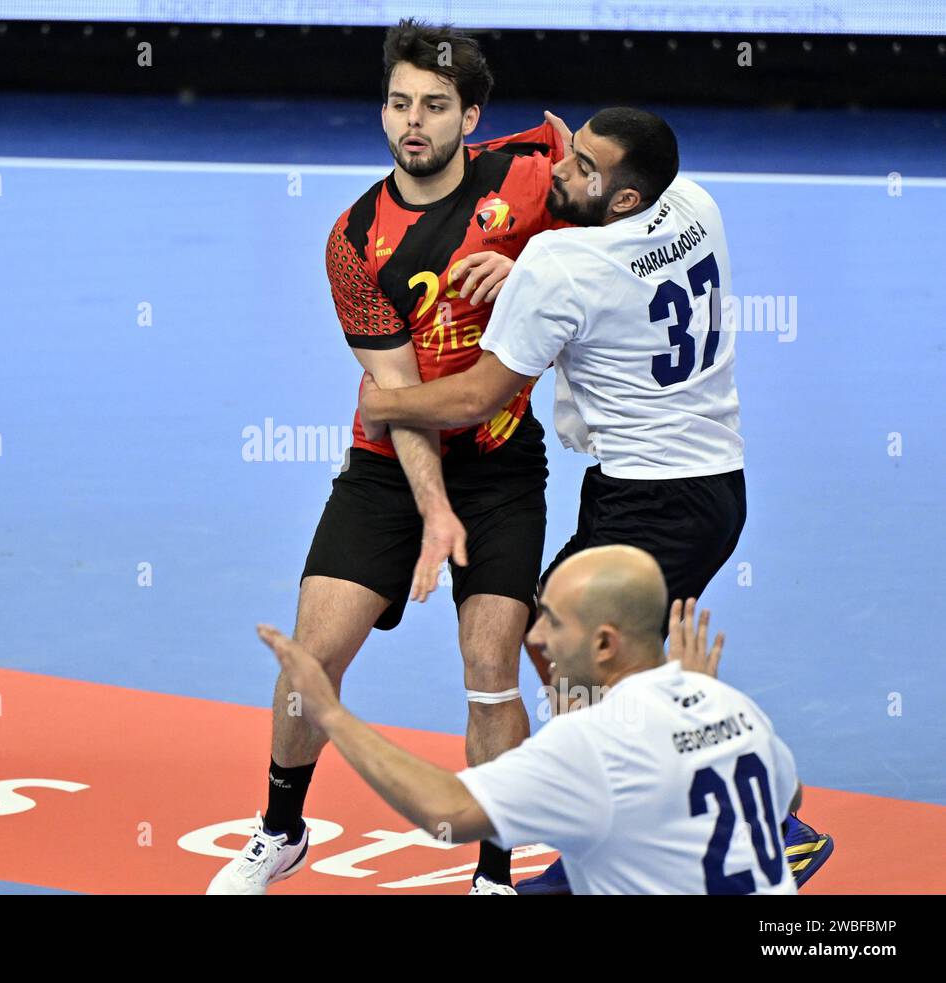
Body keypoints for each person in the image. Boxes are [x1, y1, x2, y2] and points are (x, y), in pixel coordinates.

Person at [357, 107, 832, 893]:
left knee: (567, 641)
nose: (560, 172)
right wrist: (532, 280)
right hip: (712, 486)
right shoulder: (693, 203)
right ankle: (630, 829)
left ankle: (769, 829)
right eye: (570, 151)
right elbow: (619, 276)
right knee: (591, 652)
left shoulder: (558, 263)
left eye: (581, 167)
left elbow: (479, 395)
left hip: (652, 501)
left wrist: (387, 403)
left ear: (620, 199)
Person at [208, 18, 571, 895]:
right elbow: (397, 396)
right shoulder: (353, 240)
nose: (416, 121)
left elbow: (609, 195)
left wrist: (534, 270)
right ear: (383, 113)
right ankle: (282, 831)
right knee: (313, 654)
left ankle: (493, 872)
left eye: (436, 106)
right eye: (401, 103)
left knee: (490, 667)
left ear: (469, 115)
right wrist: (433, 509)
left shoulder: (528, 176)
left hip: (503, 461)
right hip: (390, 462)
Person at [255, 545, 819, 895]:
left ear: (604, 642)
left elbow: (445, 811)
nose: (538, 636)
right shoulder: (732, 707)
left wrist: (329, 712)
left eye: (553, 621)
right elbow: (786, 801)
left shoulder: (593, 742)